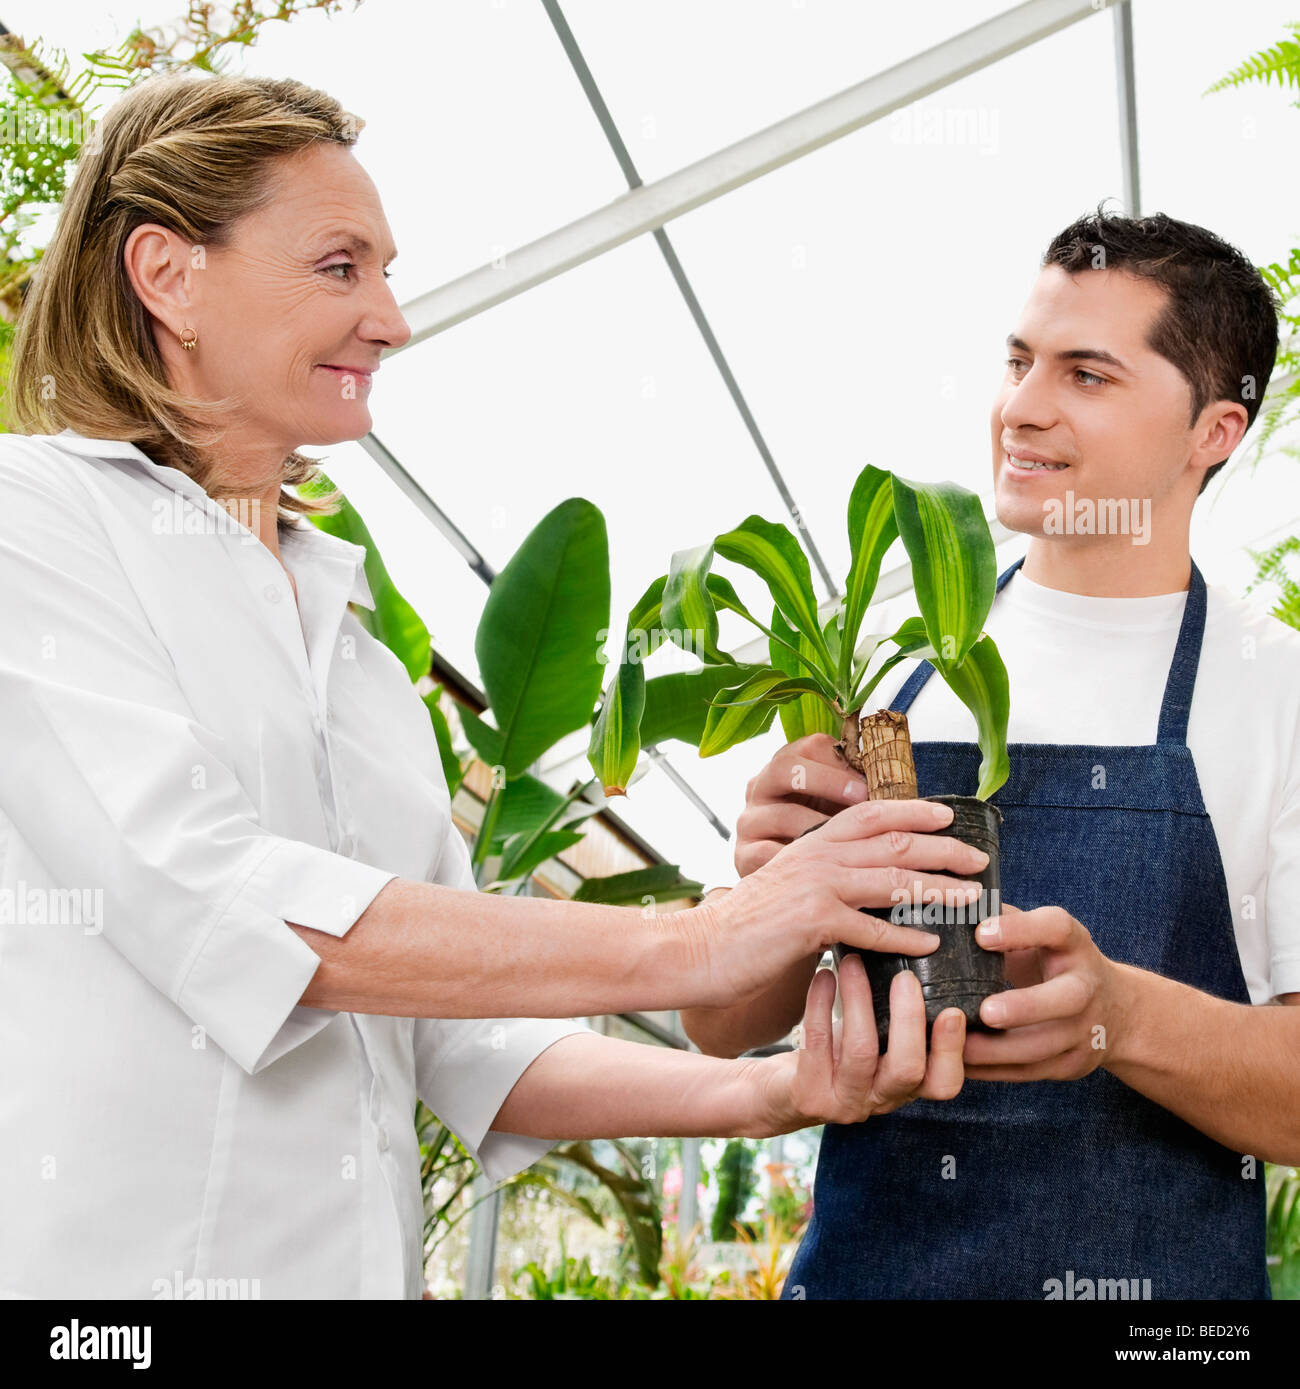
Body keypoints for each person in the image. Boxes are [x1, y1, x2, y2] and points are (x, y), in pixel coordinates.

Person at [0, 72, 984, 1300]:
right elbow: (221, 901)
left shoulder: (345, 630)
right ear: (168, 274)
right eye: (340, 267)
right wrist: (712, 934)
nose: (391, 321)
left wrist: (767, 1089)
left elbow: (464, 1041)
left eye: (390, 272)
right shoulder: (33, 518)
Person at [686, 204, 1300, 1300]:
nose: (1020, 408)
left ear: (1214, 431)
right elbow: (719, 1024)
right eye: (1019, 362)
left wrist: (1122, 1014)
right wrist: (769, 897)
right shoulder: (878, 655)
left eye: (1087, 376)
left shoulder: (1276, 691)